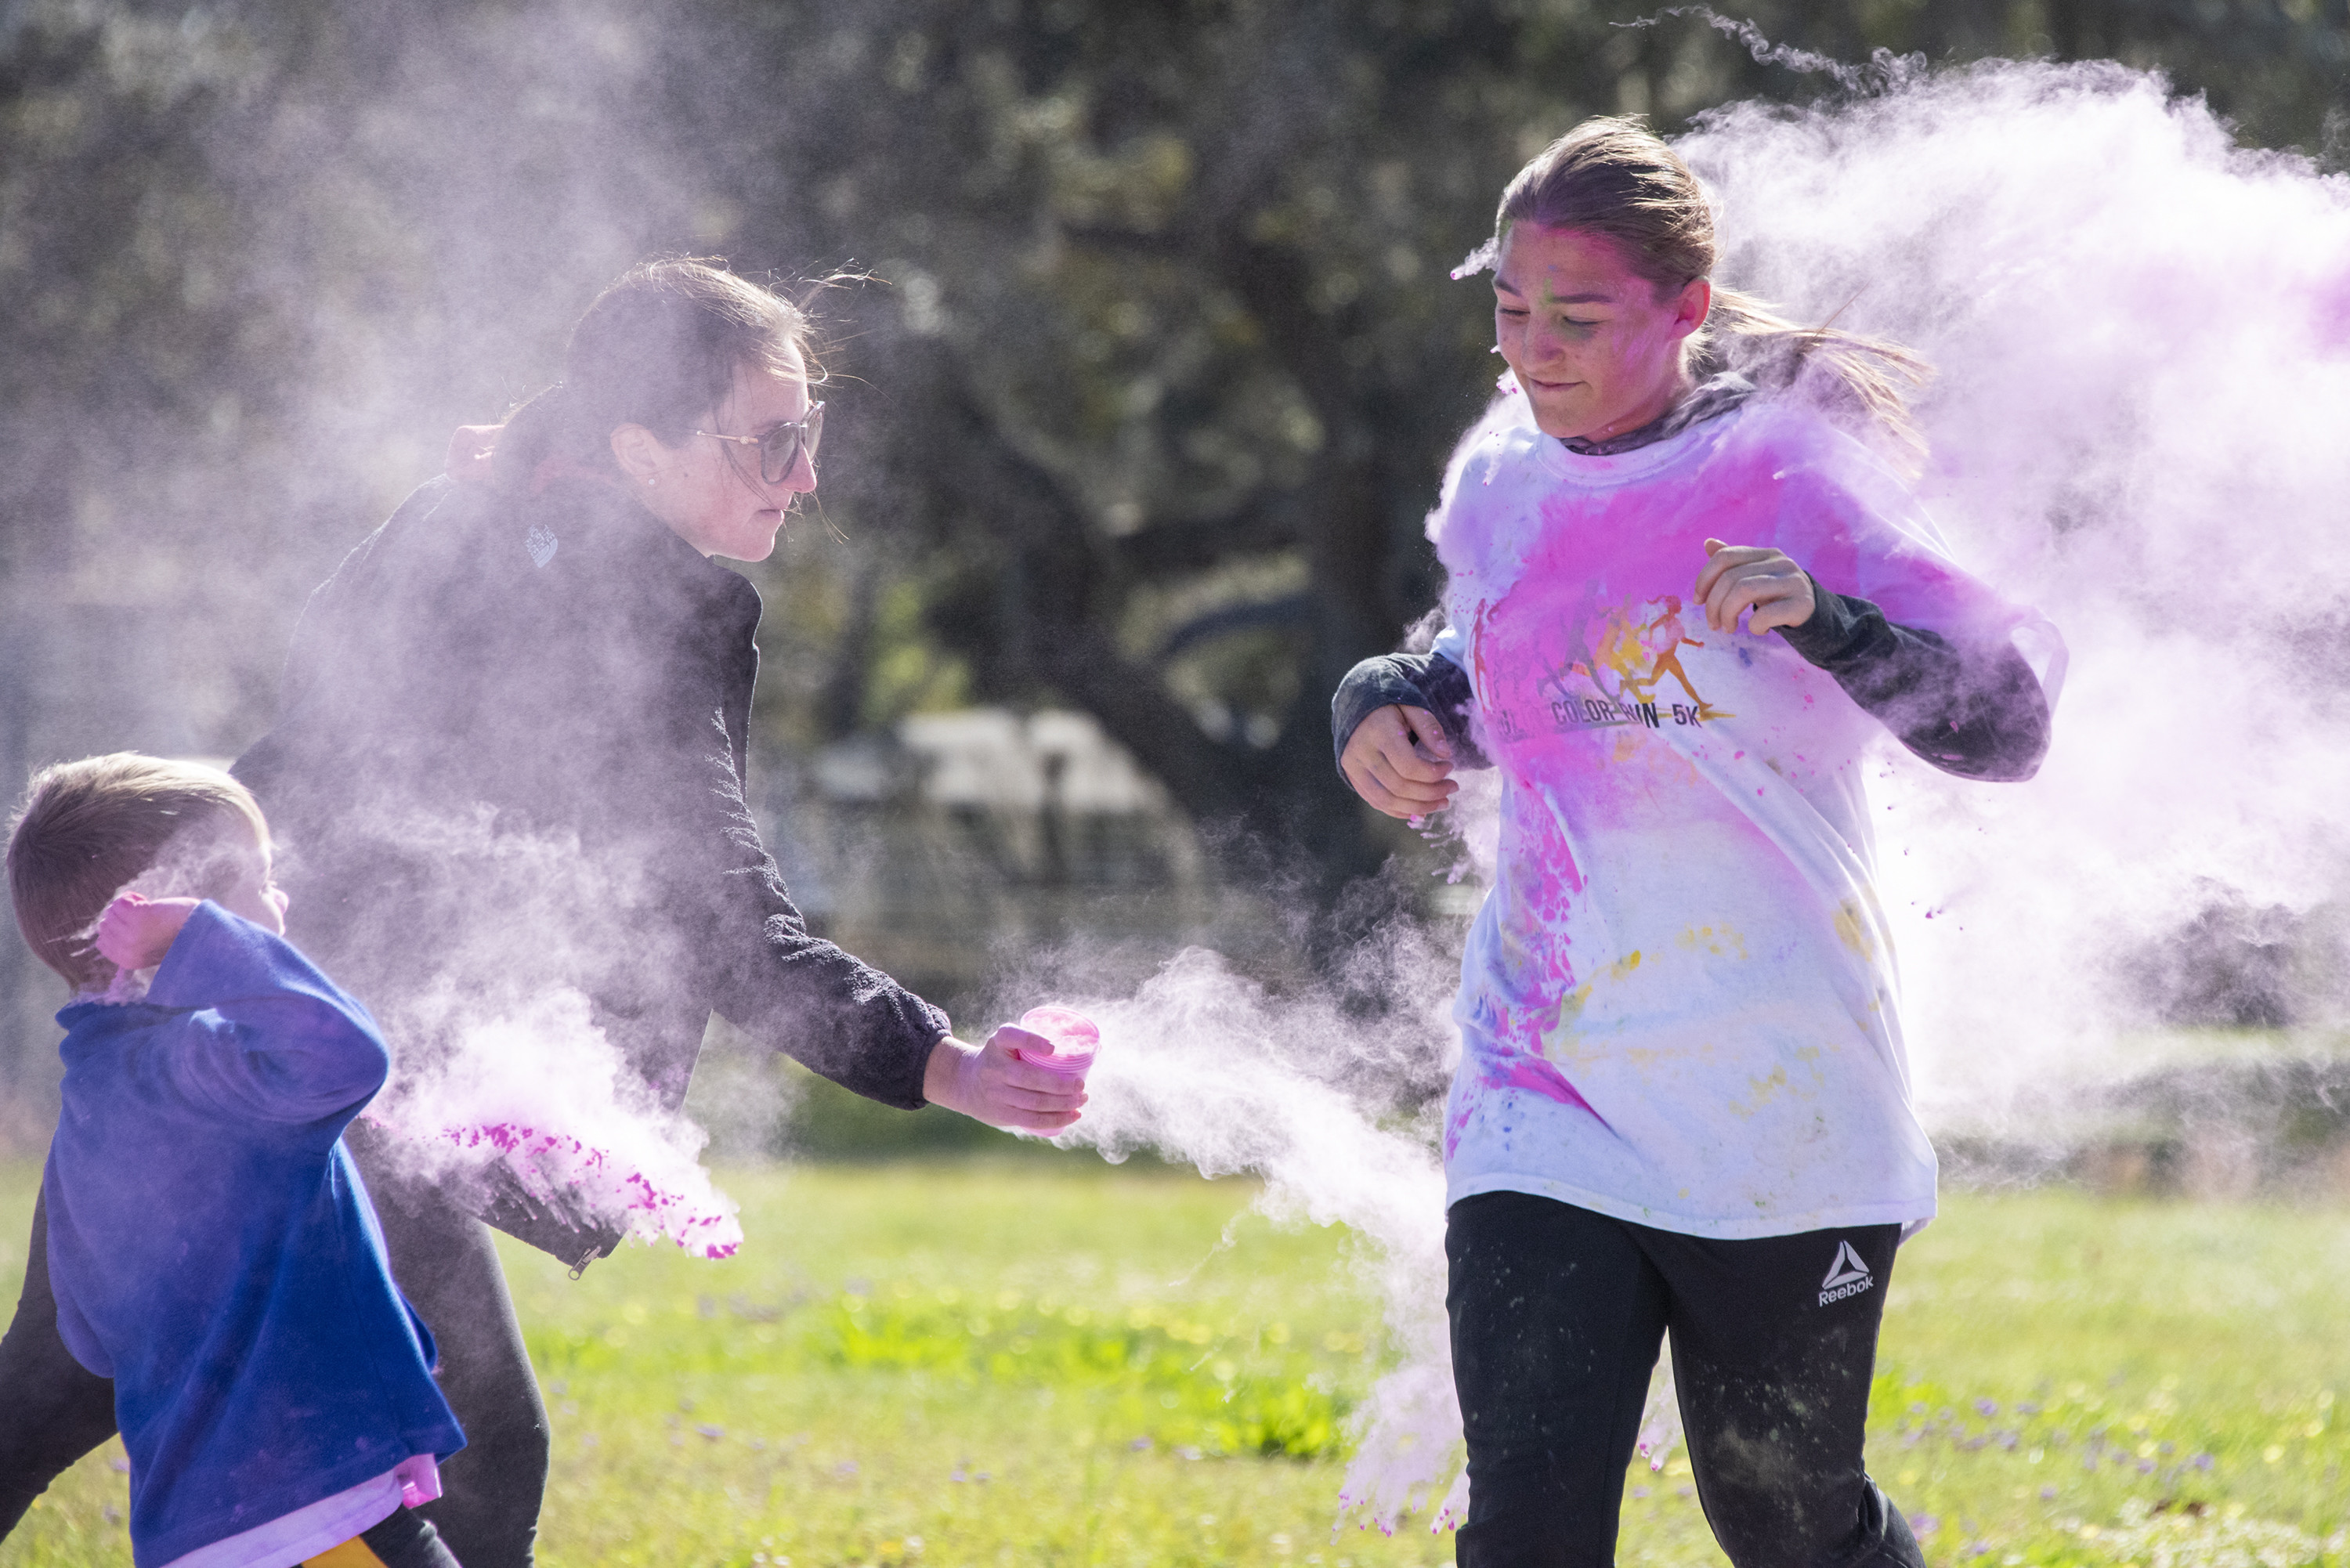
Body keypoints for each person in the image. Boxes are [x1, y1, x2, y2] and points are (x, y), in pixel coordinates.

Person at [0, 260, 1086, 1566]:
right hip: (336, 1065)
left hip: (181, 1029)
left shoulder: (462, 519)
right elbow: (716, 913)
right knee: (476, 1449)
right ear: (640, 443)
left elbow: (321, 707)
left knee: (48, 1391)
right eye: (772, 440)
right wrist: (936, 1059)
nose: (804, 476)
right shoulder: (655, 598)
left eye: (811, 434)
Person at [1331, 121, 2059, 1567]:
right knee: (1529, 1528)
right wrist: (1384, 702)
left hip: (1782, 1100)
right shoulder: (1501, 484)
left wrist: (1834, 624)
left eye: (1581, 319)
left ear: (1686, 312)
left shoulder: (1796, 483)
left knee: (1785, 1523)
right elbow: (1483, 673)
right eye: (1512, 313)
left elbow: (2009, 724)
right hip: (1547, 1081)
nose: (1537, 350)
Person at [5, 753, 465, 1568]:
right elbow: (350, 1054)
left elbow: (85, 1333)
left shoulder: (97, 1099)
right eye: (259, 883)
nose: (278, 903)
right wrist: (206, 941)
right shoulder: (214, 1070)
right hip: (319, 1511)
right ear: (173, 918)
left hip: (199, 1530)